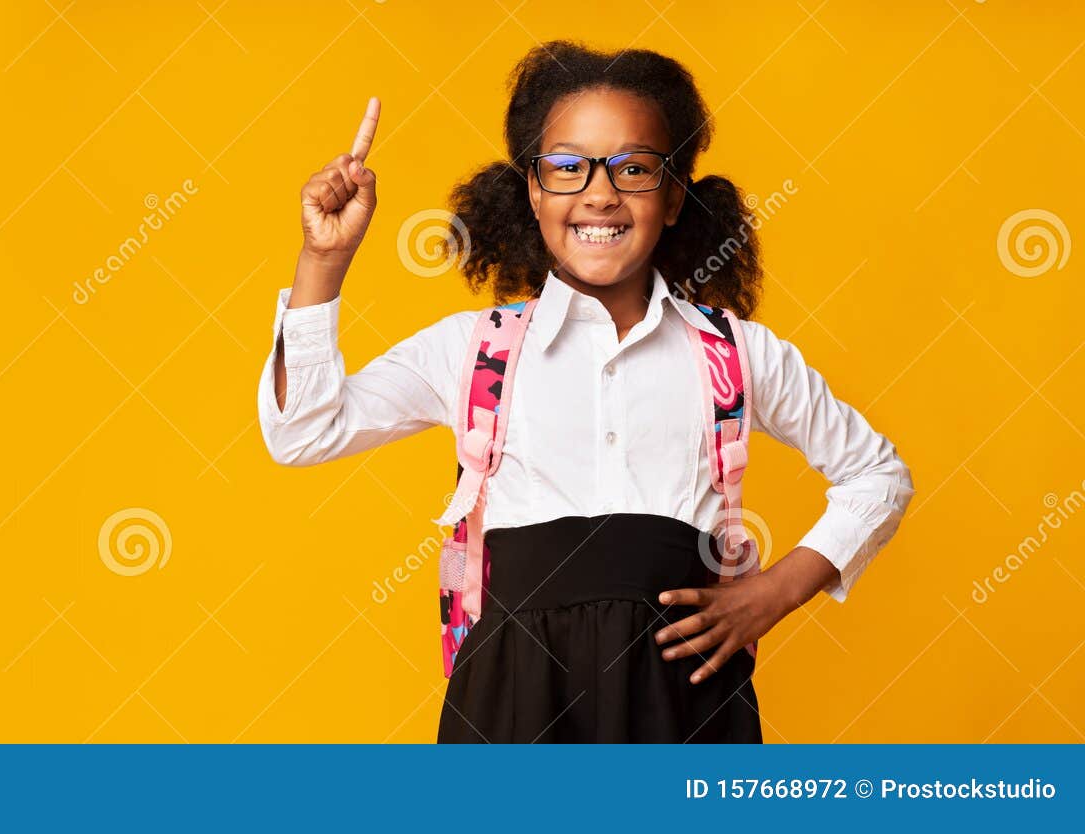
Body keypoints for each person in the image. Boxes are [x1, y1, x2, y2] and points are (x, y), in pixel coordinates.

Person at [257, 41, 913, 743]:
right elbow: (303, 431)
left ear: (672, 194)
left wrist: (775, 593)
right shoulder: (472, 348)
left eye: (633, 168)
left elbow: (878, 474)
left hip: (682, 694)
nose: (599, 193)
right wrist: (323, 262)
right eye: (567, 167)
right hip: (513, 694)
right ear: (533, 191)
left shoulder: (737, 353)